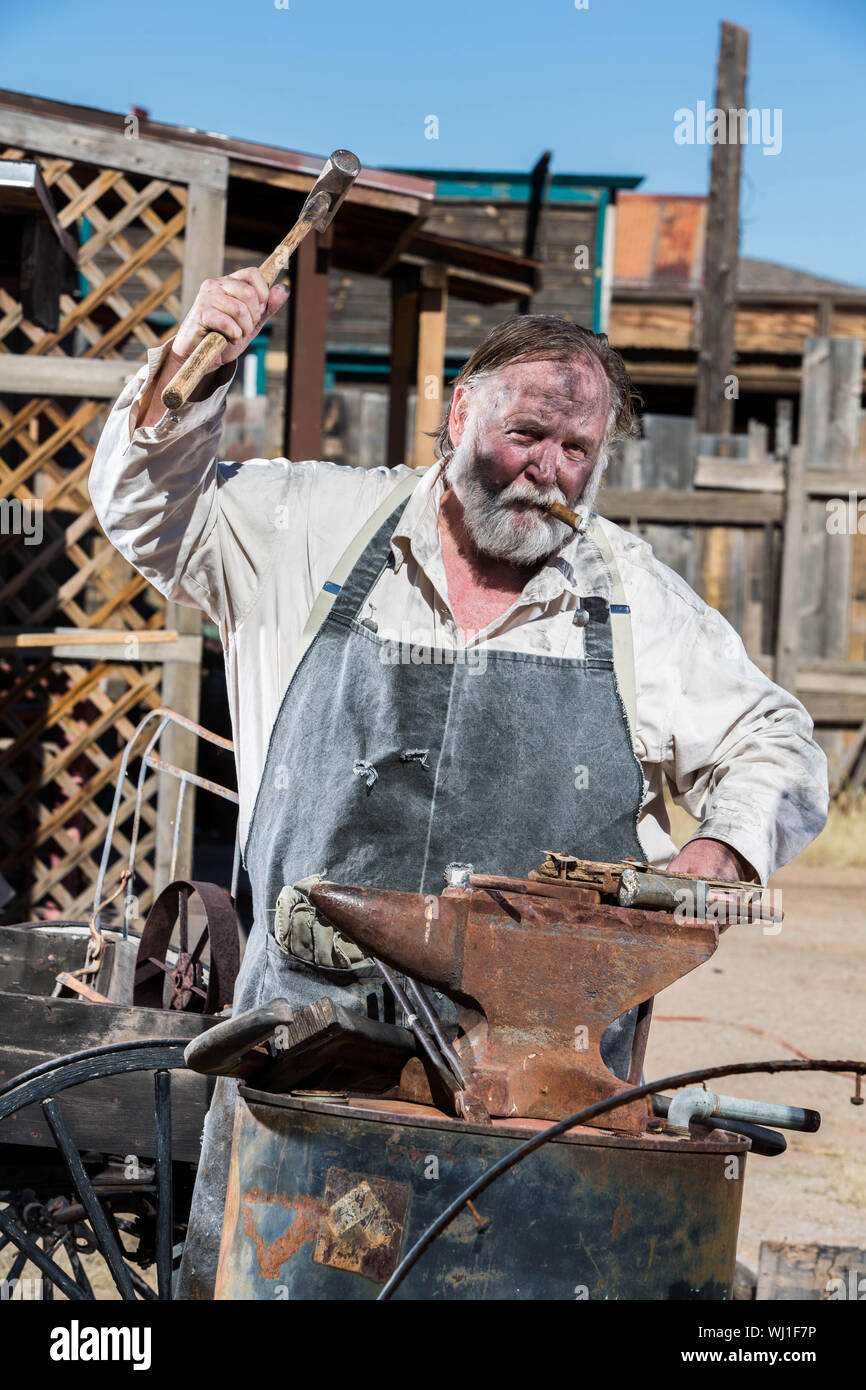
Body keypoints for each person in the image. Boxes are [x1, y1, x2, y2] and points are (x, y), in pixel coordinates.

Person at [89, 269, 828, 1297]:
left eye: (577, 451)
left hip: (533, 1116)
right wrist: (188, 365)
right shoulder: (310, 529)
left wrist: (714, 855)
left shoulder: (629, 600)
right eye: (525, 433)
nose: (547, 473)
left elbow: (776, 742)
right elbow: (140, 509)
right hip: (305, 1089)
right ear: (455, 413)